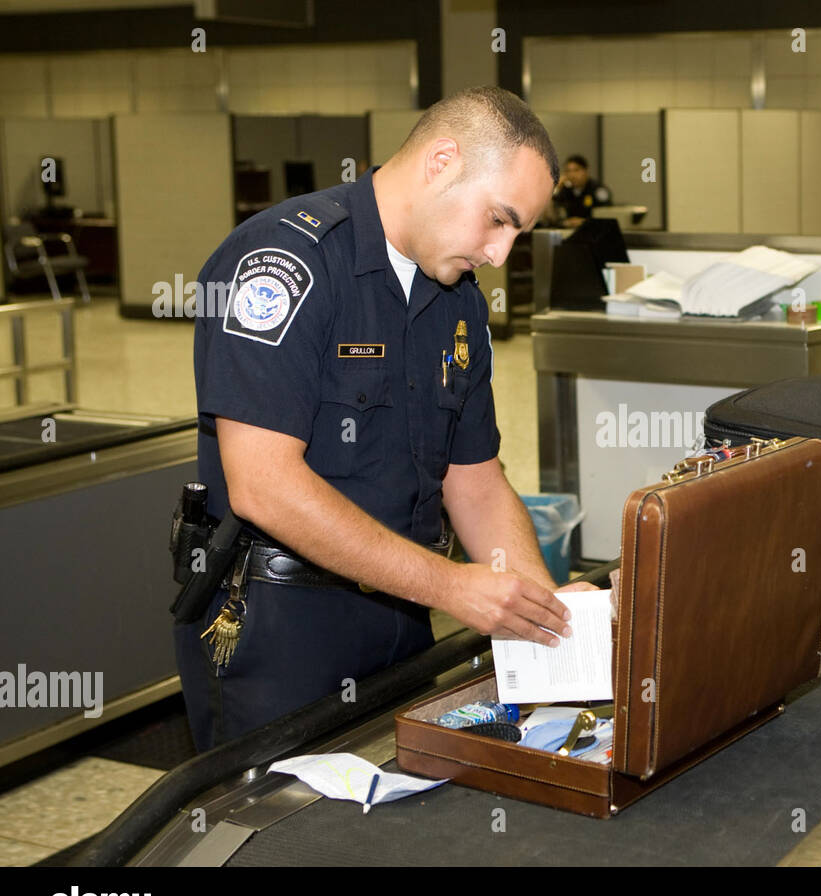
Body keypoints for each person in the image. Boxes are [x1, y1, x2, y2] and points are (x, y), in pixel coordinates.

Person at [174, 87, 593, 751]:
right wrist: (453, 586)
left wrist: (544, 614)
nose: (500, 254)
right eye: (498, 220)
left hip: (404, 614)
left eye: (519, 233)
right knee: (280, 840)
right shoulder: (288, 265)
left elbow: (476, 481)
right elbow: (263, 484)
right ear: (441, 162)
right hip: (282, 627)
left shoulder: (456, 303)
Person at [551, 154, 611, 227]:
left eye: (576, 170)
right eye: (568, 171)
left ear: (586, 171)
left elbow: (606, 217)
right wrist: (556, 188)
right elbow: (551, 217)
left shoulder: (598, 190)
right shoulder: (565, 190)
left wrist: (584, 222)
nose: (572, 175)